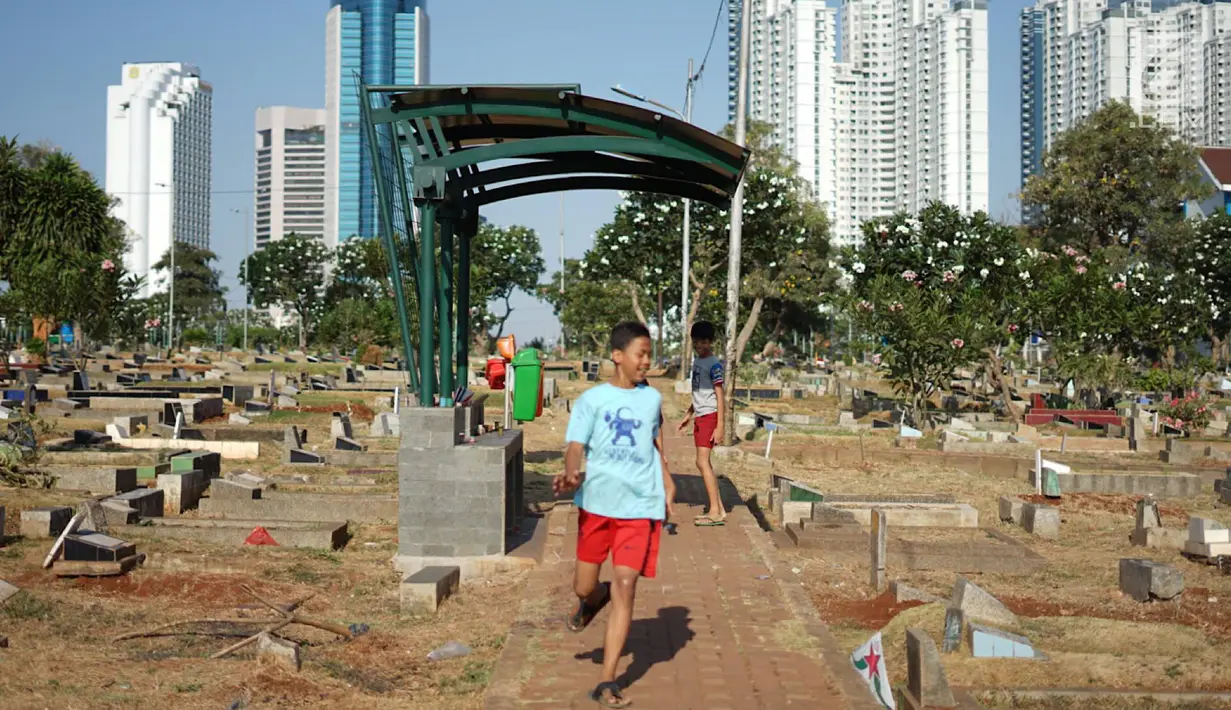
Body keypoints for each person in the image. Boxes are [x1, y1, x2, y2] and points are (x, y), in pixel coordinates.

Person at [553, 321, 675, 708]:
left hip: (640, 505)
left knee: (627, 585)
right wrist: (572, 472)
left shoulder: (652, 399)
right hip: (598, 504)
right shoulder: (593, 400)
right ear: (618, 356)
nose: (646, 362)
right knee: (583, 587)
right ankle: (593, 598)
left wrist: (667, 481)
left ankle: (607, 680)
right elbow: (575, 446)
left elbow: (656, 443)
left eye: (649, 355)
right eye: (641, 354)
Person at [677, 320, 727, 526]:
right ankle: (719, 508)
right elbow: (699, 393)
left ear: (711, 342)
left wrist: (720, 425)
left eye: (704, 342)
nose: (700, 346)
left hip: (710, 417)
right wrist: (689, 413)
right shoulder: (697, 362)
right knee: (702, 462)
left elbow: (719, 394)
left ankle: (714, 510)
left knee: (702, 462)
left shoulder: (714, 364)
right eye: (697, 342)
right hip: (700, 416)